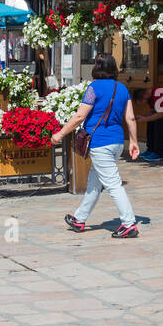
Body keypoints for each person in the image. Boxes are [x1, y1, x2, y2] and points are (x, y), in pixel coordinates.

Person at [51, 53, 140, 238]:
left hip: (99, 142)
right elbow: (130, 117)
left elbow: (79, 116)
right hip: (117, 142)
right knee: (94, 182)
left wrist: (60, 133)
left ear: (96, 67)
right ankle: (79, 218)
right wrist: (134, 141)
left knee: (113, 184)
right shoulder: (122, 88)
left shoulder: (94, 88)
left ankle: (129, 223)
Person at [132, 87, 163, 162]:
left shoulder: (159, 92)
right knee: (151, 121)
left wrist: (144, 119)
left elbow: (161, 114)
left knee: (159, 121)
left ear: (145, 96)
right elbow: (153, 111)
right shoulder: (151, 98)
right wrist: (143, 116)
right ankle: (151, 150)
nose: (143, 104)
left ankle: (159, 153)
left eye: (141, 102)